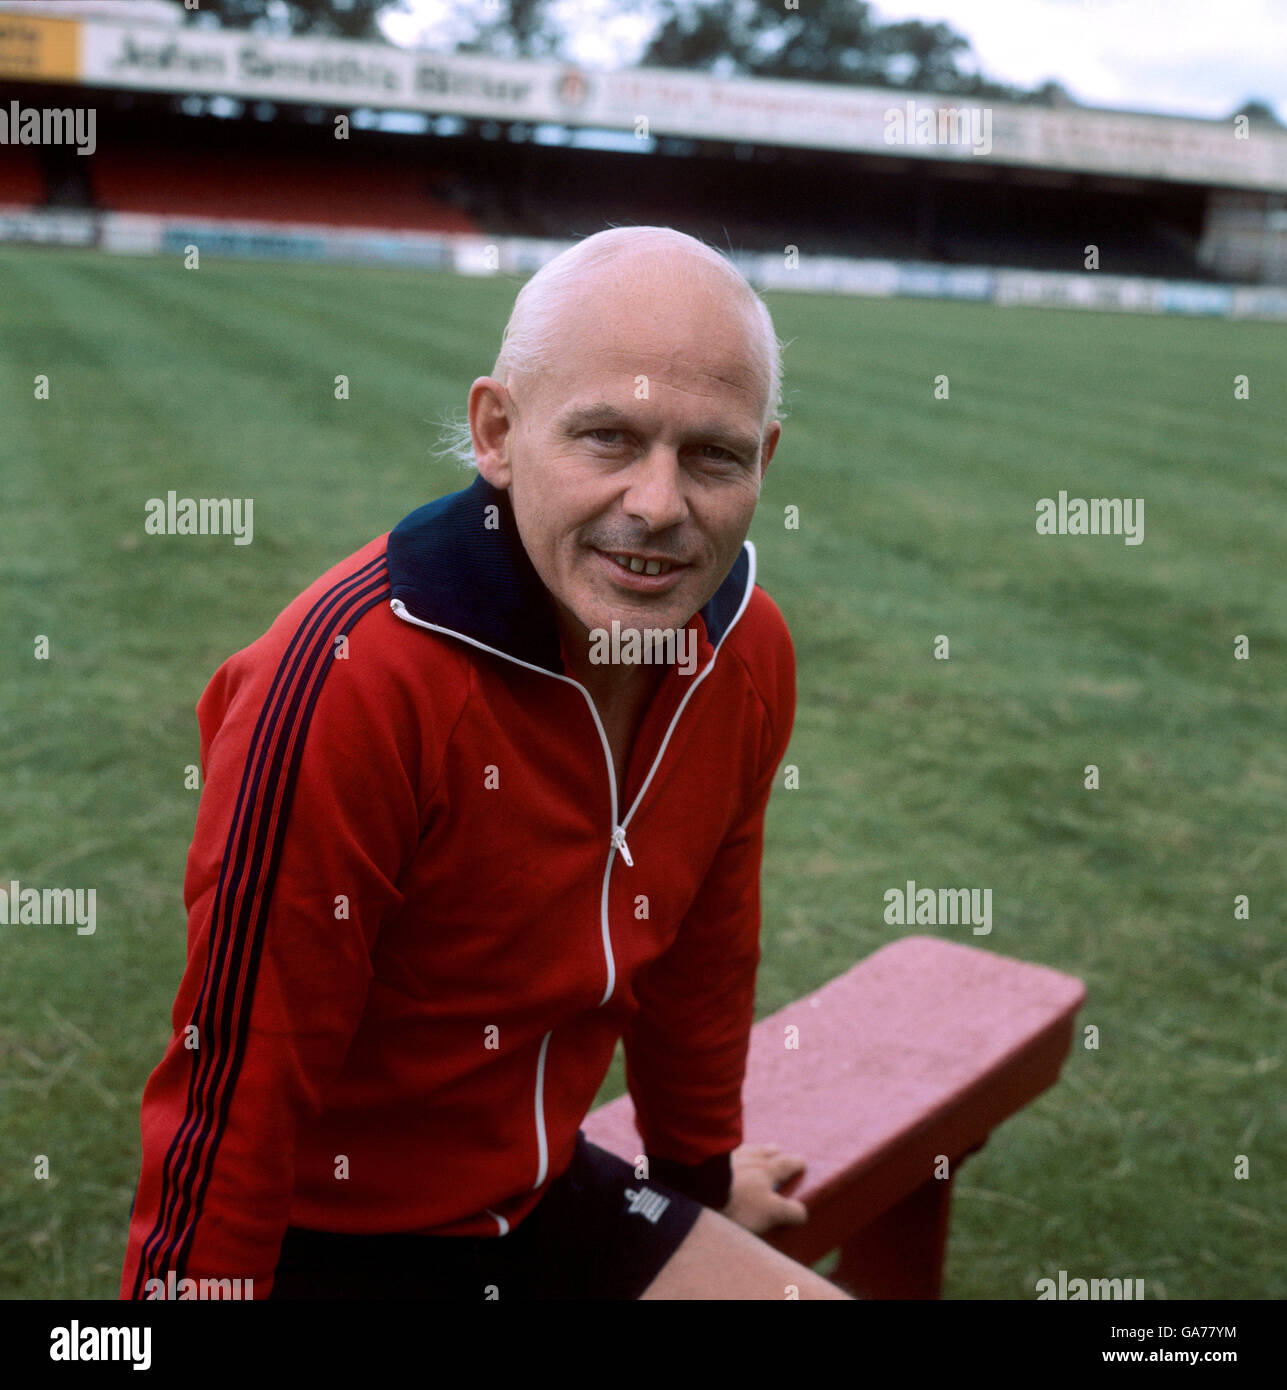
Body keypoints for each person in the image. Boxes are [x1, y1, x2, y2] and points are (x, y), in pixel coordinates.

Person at [120, 225, 852, 1301]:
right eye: (607, 437)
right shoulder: (349, 679)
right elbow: (240, 1078)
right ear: (497, 433)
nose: (659, 503)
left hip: (548, 1198)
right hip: (332, 1240)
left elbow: (704, 954)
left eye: (713, 454)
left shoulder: (746, 649)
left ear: (765, 461)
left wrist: (693, 1180)